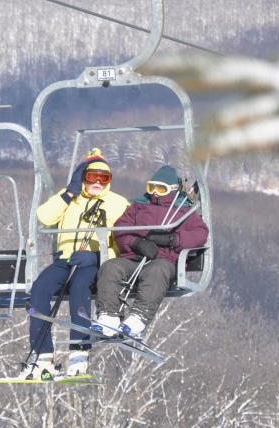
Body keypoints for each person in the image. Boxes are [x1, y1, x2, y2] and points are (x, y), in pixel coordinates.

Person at [24, 149, 130, 379]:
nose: (99, 183)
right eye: (93, 177)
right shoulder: (70, 198)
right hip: (64, 260)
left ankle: (79, 353)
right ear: (83, 177)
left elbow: (125, 243)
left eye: (105, 178)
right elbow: (44, 217)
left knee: (80, 289)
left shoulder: (118, 203)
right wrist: (69, 193)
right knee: (40, 290)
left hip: (93, 262)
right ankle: (42, 356)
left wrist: (98, 256)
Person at [94, 165, 208, 339]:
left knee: (158, 270)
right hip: (135, 258)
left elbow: (200, 234)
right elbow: (120, 227)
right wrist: (135, 242)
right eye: (151, 187)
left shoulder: (184, 210)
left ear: (172, 190)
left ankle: (139, 316)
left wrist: (173, 240)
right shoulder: (139, 206)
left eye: (160, 189)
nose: (154, 192)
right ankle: (109, 315)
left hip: (165, 260)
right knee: (111, 267)